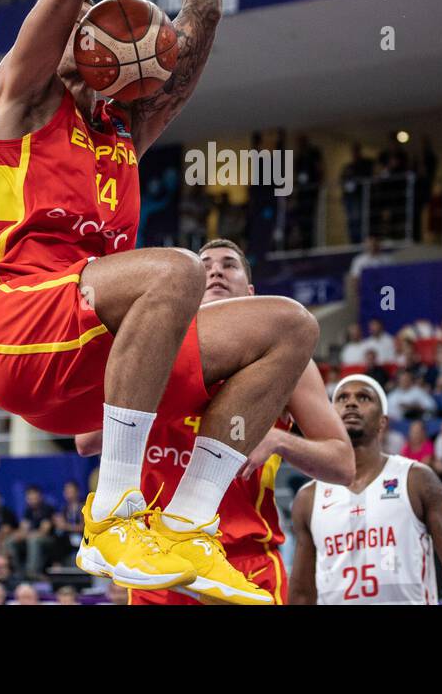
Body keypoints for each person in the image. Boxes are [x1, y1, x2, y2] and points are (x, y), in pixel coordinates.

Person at [0, 0, 318, 605]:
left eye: (95, 20)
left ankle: (186, 522)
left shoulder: (123, 131)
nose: (86, 22)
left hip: (96, 351)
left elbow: (204, 15)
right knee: (177, 271)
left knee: (288, 327)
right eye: (76, 20)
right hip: (13, 324)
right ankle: (115, 507)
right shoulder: (18, 103)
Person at [76, 238, 352, 605]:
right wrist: (151, 392)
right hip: (158, 562)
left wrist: (280, 441)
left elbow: (343, 464)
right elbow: (85, 440)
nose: (216, 270)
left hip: (244, 562)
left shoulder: (290, 363)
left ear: (252, 293)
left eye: (229, 265)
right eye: (204, 265)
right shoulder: (150, 351)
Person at [288, 375, 442, 605]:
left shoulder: (416, 479)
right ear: (331, 416)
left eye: (363, 397)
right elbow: (302, 591)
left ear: (383, 422)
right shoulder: (308, 498)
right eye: (342, 398)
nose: (351, 403)